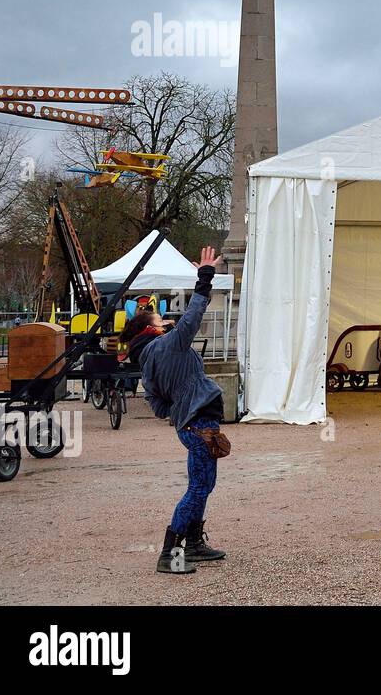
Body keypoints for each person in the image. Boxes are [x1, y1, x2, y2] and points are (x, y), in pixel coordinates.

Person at [121, 246, 227, 574]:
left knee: (204, 484)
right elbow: (194, 315)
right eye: (160, 319)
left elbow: (155, 402)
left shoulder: (146, 361)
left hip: (191, 422)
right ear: (150, 329)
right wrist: (205, 275)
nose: (166, 320)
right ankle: (171, 551)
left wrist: (178, 409)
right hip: (198, 422)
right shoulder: (169, 343)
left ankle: (193, 543)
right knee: (198, 486)